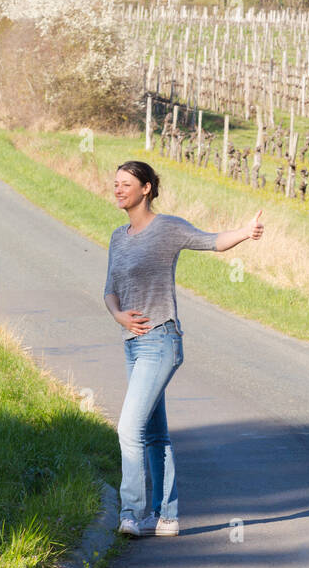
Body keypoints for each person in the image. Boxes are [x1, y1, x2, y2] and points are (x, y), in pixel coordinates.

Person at [104, 160, 264, 537]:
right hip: (133, 343)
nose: (118, 189)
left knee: (129, 428)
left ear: (146, 188)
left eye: (126, 184)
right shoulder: (117, 236)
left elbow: (212, 242)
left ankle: (131, 512)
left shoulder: (167, 228)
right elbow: (109, 289)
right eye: (115, 184)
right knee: (153, 432)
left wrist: (245, 231)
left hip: (161, 339)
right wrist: (119, 316)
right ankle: (167, 516)